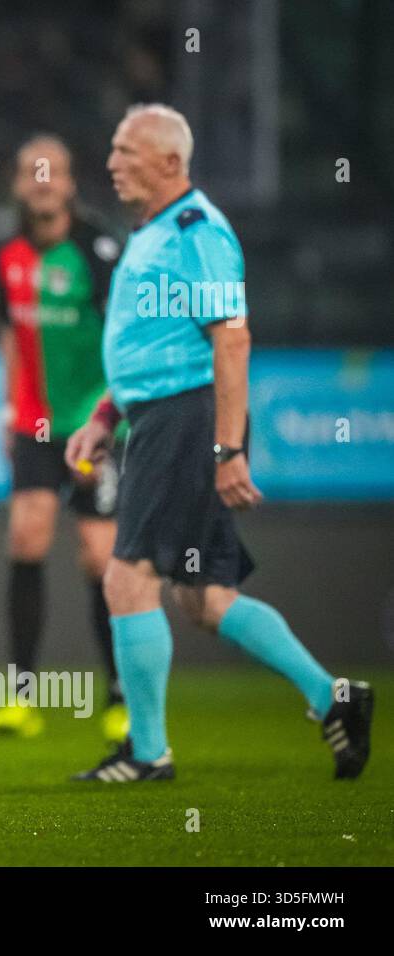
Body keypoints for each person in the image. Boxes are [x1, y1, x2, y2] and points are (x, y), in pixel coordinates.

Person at [67, 104, 373, 782]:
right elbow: (147, 345)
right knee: (200, 597)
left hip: (186, 421)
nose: (112, 163)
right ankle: (335, 697)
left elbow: (231, 338)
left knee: (128, 578)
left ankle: (148, 754)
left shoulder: (197, 232)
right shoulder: (151, 233)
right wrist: (105, 413)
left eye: (126, 151)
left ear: (171, 162)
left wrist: (227, 449)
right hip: (160, 415)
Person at [0, 135, 128, 742]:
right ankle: (21, 694)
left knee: (100, 555)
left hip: (93, 427)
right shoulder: (9, 255)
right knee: (26, 536)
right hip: (35, 426)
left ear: (70, 183)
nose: (42, 182)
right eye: (31, 173)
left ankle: (120, 694)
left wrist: (114, 414)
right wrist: (6, 409)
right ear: (19, 184)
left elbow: (124, 334)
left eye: (53, 173)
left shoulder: (99, 251)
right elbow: (9, 336)